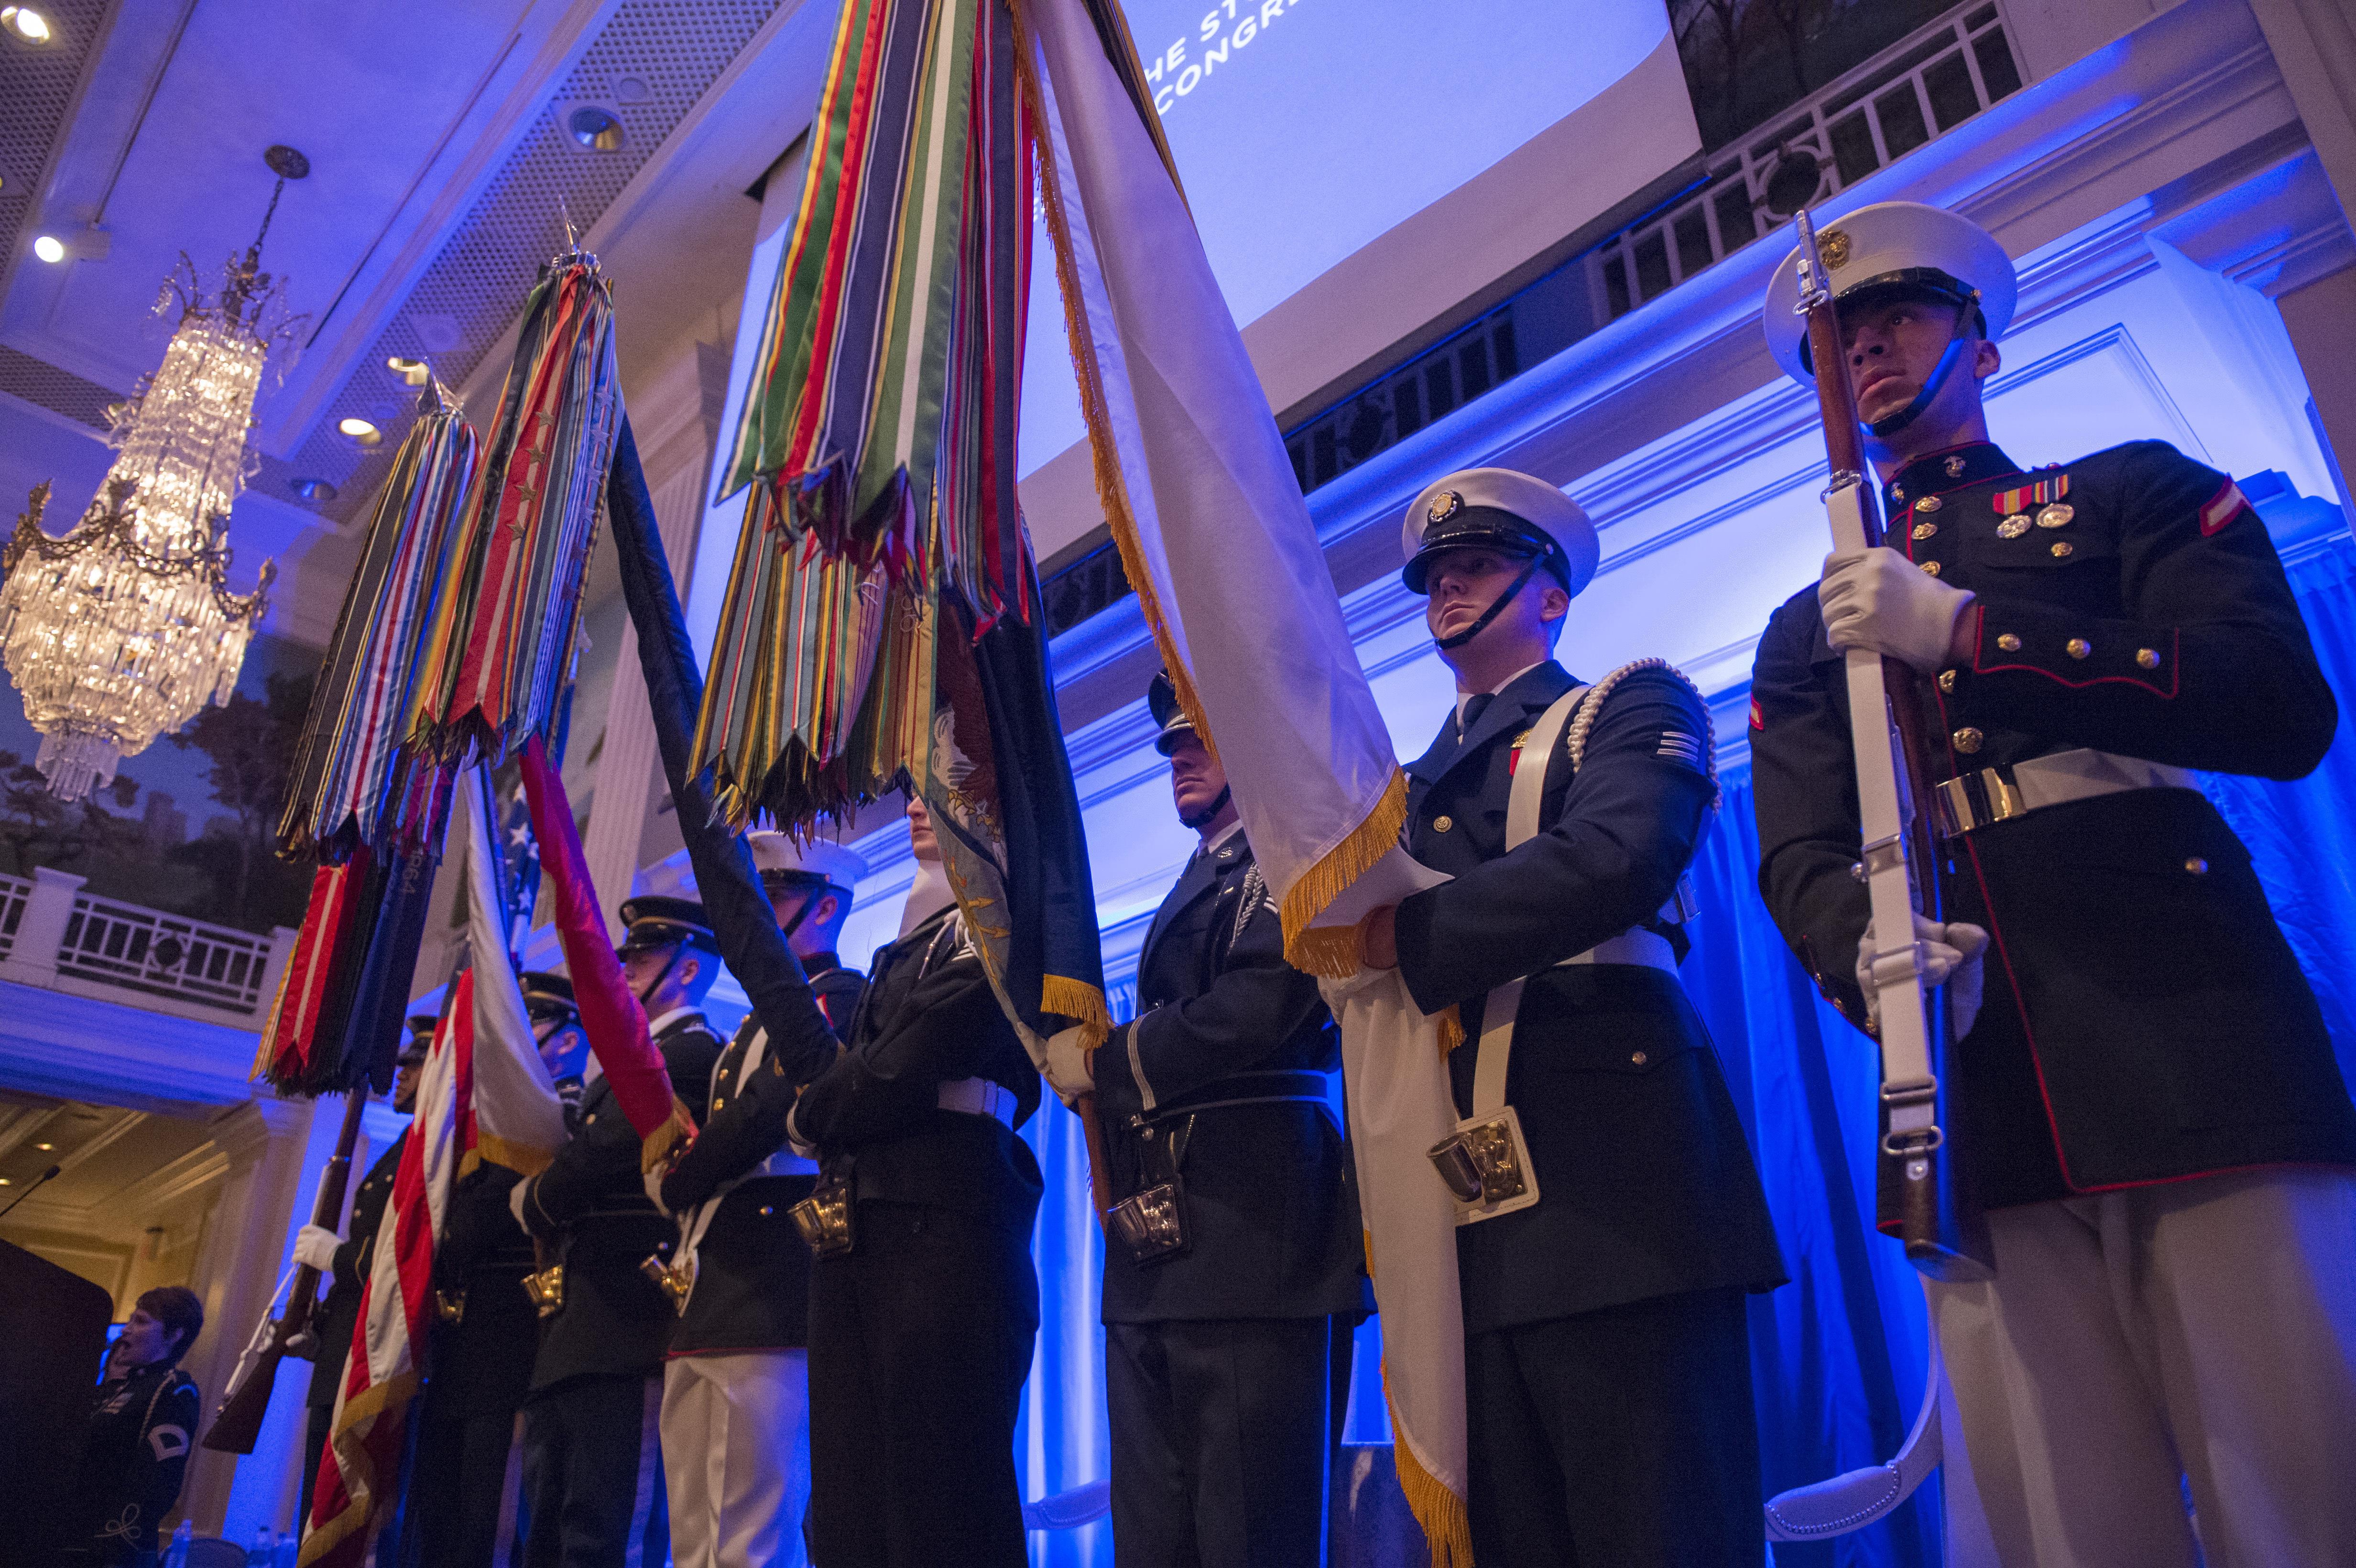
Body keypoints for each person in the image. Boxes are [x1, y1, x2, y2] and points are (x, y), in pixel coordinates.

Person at [1748, 199, 2356, 1566]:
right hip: (1974, 1079)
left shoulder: (2131, 493)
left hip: (2187, 1025)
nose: (1870, 353)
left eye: (1900, 316)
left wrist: (1970, 628)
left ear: (1983, 346)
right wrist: (1871, 952)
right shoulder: (1807, 632)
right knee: (2066, 1521)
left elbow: (2275, 701)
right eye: (1839, 342)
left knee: (2294, 1481)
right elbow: (1797, 853)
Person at [1354, 468, 1785, 1565]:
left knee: (1659, 1527)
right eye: (1437, 574)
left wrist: (1402, 941)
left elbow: (1617, 856)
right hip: (1461, 1202)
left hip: (1616, 1184)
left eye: (1482, 565)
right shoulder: (1395, 791)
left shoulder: (1629, 705)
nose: (1450, 585)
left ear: (1551, 592)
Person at [668, 795, 1039, 1567]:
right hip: (862, 1224)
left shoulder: (999, 923)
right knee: (849, 1504)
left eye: (947, 785)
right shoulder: (902, 950)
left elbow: (904, 1065)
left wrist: (810, 1118)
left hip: (942, 1213)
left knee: (939, 1494)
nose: (914, 804)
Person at [1072, 671, 1363, 1567]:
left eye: (1196, 740)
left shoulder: (1294, 856)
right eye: (1170, 746)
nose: (1177, 760)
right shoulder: (1201, 878)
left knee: (1249, 1528)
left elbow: (1259, 1005)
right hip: (1167, 1232)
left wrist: (1108, 1062)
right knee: (1157, 1535)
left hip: (1254, 1223)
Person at [649, 833, 868, 1568]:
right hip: (713, 1283)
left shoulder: (837, 997)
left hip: (771, 1284)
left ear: (827, 908)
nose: (757, 915)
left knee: (752, 1525)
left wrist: (681, 1179)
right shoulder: (749, 1022)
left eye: (775, 899)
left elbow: (760, 1117)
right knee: (692, 1527)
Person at [512, 899, 725, 1568]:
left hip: (627, 1321)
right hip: (581, 1324)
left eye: (645, 954)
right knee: (544, 1527)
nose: (626, 965)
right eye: (627, 952)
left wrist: (535, 1199)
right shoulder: (633, 1063)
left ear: (688, 969)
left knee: (605, 1531)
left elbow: (603, 1157)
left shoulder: (690, 1055)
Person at [404, 976, 584, 1568]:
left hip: (511, 1352)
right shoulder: (483, 1128)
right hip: (457, 1349)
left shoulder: (561, 1117)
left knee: (489, 1522)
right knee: (437, 1517)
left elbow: (485, 1224)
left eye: (528, 1026)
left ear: (565, 1041)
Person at [293, 1019, 430, 1524]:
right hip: (346, 1346)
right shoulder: (403, 1148)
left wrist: (337, 1257)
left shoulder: (428, 1155)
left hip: (374, 1355)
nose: (402, 1074)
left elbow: (409, 1255)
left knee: (349, 1508)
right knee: (316, 1501)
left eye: (414, 1066)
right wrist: (319, 1332)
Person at [59, 1286, 205, 1564]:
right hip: (68, 1538)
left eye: (140, 1322)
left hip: (108, 1551)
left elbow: (157, 1482)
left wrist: (112, 1544)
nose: (125, 1331)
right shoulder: (124, 1387)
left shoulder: (174, 1390)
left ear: (175, 1335)